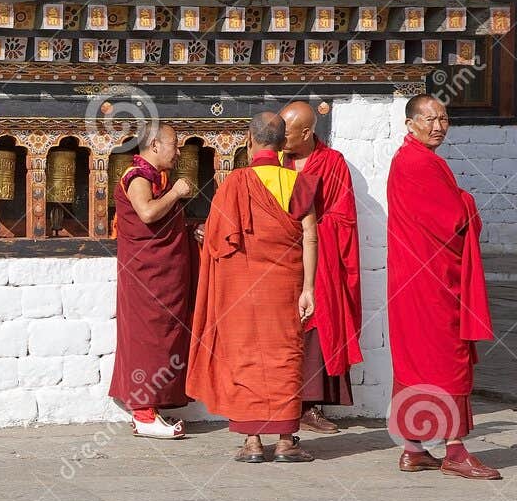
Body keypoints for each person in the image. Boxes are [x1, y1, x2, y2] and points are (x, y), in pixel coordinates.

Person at [187, 111, 319, 464]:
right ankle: (286, 442)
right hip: (284, 288)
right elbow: (310, 236)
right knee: (285, 355)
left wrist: (204, 236)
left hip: (241, 291)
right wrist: (309, 288)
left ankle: (252, 442)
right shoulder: (297, 182)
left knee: (244, 355)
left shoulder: (234, 183)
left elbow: (217, 241)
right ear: (283, 142)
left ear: (249, 141)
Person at [386, 94, 499, 480]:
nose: (438, 127)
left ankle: (413, 449)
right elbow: (453, 219)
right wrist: (467, 200)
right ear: (410, 124)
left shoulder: (408, 160)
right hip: (433, 284)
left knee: (415, 359)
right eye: (429, 119)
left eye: (444, 119)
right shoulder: (421, 163)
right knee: (446, 358)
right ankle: (455, 451)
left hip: (411, 281)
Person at [108, 123, 195, 438]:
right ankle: (143, 413)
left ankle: (152, 408)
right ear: (155, 145)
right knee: (147, 340)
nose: (179, 151)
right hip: (146, 277)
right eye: (174, 144)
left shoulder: (156, 178)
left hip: (162, 275)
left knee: (163, 338)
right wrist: (176, 193)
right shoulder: (137, 177)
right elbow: (146, 213)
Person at [281, 100, 362, 434]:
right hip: (282, 257)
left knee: (316, 325)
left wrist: (310, 229)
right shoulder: (276, 160)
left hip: (321, 257)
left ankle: (310, 405)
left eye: (287, 132)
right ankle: (283, 401)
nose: (280, 137)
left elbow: (344, 216)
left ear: (306, 132)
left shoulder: (332, 162)